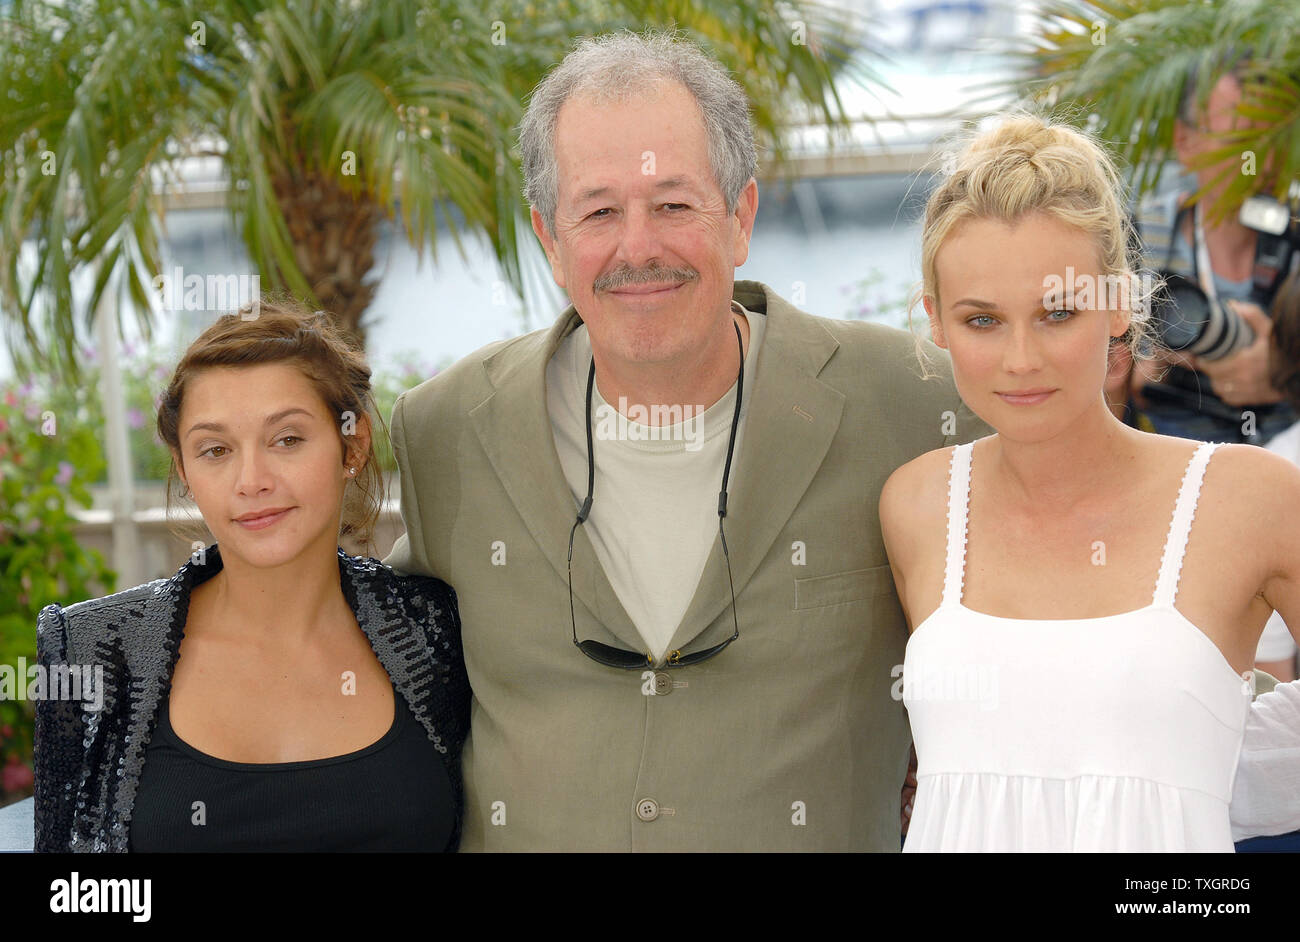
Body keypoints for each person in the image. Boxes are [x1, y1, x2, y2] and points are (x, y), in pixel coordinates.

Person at [382, 29, 989, 851]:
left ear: (740, 217)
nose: (639, 248)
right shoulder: (444, 429)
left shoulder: (918, 404)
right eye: (599, 212)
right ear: (550, 240)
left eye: (674, 204)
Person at [881, 113, 1300, 852]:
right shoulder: (915, 505)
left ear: (1118, 305)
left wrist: (1198, 765)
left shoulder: (1250, 498)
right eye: (982, 320)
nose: (1020, 358)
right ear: (936, 322)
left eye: (1057, 313)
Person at [33, 301, 469, 852]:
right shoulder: (94, 649)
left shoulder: (435, 627)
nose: (251, 480)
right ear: (186, 472)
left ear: (351, 446)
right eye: (215, 450)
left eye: (286, 439)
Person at [1132, 61, 1297, 444]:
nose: (1265, 162)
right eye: (1244, 142)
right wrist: (1137, 374)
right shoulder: (1140, 239)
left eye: (1278, 138)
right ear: (1185, 141)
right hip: (1174, 460)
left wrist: (1285, 374)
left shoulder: (1294, 234)